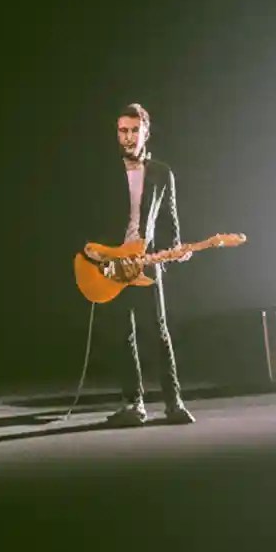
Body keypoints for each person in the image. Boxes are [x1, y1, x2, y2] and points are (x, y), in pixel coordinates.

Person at [97, 103, 195, 426]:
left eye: (133, 130)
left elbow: (170, 222)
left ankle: (173, 401)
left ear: (146, 132)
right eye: (122, 131)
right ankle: (133, 404)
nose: (127, 137)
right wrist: (101, 259)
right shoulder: (105, 172)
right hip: (114, 264)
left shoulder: (161, 173)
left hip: (148, 262)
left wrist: (175, 250)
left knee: (159, 330)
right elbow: (89, 220)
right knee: (124, 332)